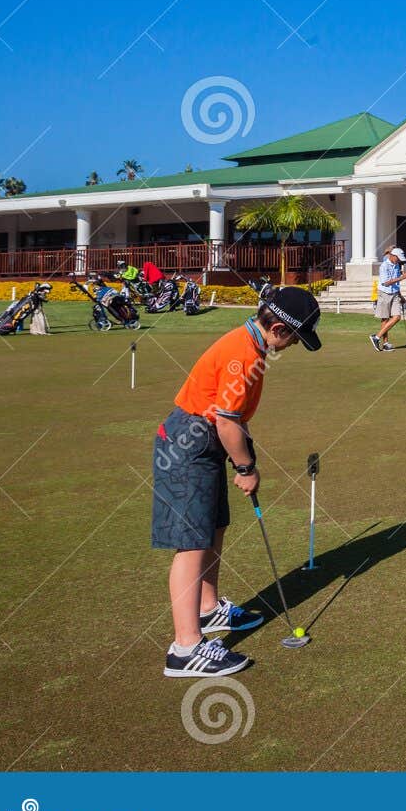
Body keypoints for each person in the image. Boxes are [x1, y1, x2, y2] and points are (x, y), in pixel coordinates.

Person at [151, 287, 322, 678]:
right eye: (294, 337)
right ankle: (185, 648)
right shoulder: (243, 355)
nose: (293, 345)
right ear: (278, 328)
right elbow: (226, 420)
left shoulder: (252, 343)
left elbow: (234, 420)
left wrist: (246, 454)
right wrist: (246, 469)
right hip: (188, 444)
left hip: (208, 442)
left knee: (214, 527)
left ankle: (208, 610)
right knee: (192, 543)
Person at [371, 246, 406, 351]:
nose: (399, 260)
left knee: (397, 317)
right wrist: (402, 278)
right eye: (398, 258)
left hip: (394, 294)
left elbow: (396, 283)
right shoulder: (384, 266)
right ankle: (385, 344)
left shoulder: (397, 265)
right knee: (385, 318)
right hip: (384, 293)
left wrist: (400, 295)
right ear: (393, 256)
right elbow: (386, 283)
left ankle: (376, 337)